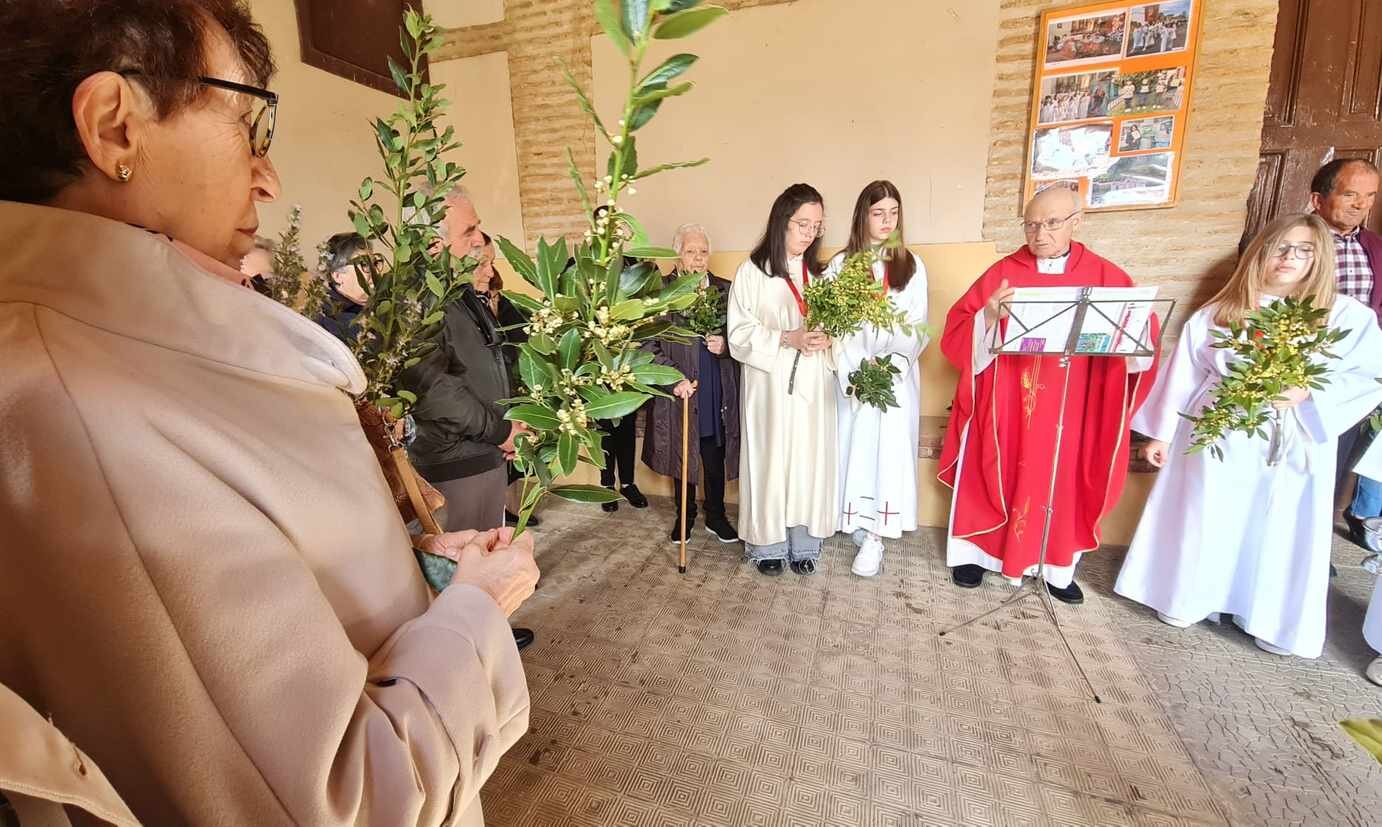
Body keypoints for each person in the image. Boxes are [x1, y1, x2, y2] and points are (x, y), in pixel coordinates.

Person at [0, 2, 539, 824]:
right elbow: (343, 799)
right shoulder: (85, 407)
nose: (268, 176)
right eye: (248, 124)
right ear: (115, 127)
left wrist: (413, 561)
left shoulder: (145, 348)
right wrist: (476, 605)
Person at [1116, 214, 1382, 658]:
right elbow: (1185, 373)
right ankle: (1190, 596)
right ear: (1259, 253)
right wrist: (1159, 433)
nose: (1288, 258)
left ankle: (1268, 615)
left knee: (1277, 524)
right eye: (1279, 247)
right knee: (1207, 513)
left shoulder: (1343, 316)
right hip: (1217, 431)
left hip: (1292, 435)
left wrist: (1309, 391)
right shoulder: (1222, 310)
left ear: (1320, 258)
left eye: (1302, 250)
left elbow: (1370, 375)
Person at [937, 184, 1157, 603]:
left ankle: (1056, 566)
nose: (1040, 233)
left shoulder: (1108, 276)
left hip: (1073, 405)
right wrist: (988, 316)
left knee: (1063, 479)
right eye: (1031, 224)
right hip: (1007, 404)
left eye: (1052, 223)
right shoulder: (1003, 273)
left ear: (1078, 221)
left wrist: (1134, 336)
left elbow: (1138, 344)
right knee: (991, 467)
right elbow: (957, 329)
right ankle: (977, 553)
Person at [728, 183, 837, 576]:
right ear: (781, 222)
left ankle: (805, 542)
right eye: (802, 224)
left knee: (808, 459)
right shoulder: (752, 272)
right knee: (770, 459)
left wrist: (829, 337)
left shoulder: (822, 274)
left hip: (812, 383)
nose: (809, 234)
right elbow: (738, 334)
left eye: (816, 227)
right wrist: (785, 338)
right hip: (770, 385)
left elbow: (839, 327)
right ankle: (767, 544)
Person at [404, 189, 527, 534]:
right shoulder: (419, 298)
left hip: (483, 451)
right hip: (456, 461)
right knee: (463, 569)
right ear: (433, 244)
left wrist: (510, 427)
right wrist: (500, 431)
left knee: (486, 560)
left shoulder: (459, 291)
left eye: (477, 227)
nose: (478, 239)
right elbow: (434, 390)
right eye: (468, 231)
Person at [827, 181, 929, 577]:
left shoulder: (912, 266)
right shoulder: (840, 265)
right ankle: (855, 520)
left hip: (894, 378)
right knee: (855, 446)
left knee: (886, 452)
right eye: (877, 213)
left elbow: (917, 325)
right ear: (862, 216)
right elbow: (836, 324)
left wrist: (889, 365)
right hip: (854, 377)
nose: (887, 221)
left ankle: (876, 537)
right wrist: (857, 366)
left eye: (893, 212)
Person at [642, 224, 742, 544]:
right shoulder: (661, 295)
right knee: (682, 453)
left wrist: (726, 345)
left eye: (702, 251)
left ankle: (715, 515)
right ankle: (683, 517)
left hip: (717, 387)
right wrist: (673, 378)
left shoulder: (727, 291)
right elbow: (647, 345)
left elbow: (746, 337)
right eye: (690, 251)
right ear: (677, 254)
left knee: (714, 452)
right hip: (681, 388)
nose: (698, 258)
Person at [1308, 160, 1382, 540]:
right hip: (1300, 366)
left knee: (1337, 461)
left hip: (1353, 374)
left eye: (1369, 196)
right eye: (1350, 194)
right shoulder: (1294, 241)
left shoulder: (1374, 247)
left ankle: (1313, 549)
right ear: (1319, 199)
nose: (1361, 205)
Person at [314, 230, 370, 343]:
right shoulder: (329, 322)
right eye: (365, 265)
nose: (375, 272)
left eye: (375, 263)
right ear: (338, 276)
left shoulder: (380, 304)